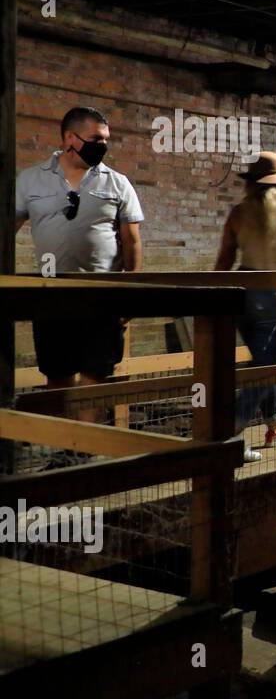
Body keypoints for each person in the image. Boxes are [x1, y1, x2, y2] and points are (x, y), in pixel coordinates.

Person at [16, 107, 144, 446]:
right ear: (70, 139)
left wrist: (131, 290)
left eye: (106, 140)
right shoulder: (31, 180)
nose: (103, 146)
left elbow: (131, 240)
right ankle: (60, 451)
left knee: (94, 373)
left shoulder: (117, 183)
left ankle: (84, 450)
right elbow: (7, 229)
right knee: (57, 373)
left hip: (102, 293)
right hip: (51, 292)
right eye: (96, 139)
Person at [215, 152, 276, 463]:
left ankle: (274, 425)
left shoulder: (238, 213)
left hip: (243, 294)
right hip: (275, 293)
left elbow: (224, 260)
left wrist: (213, 294)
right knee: (264, 364)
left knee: (264, 361)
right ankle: (229, 435)